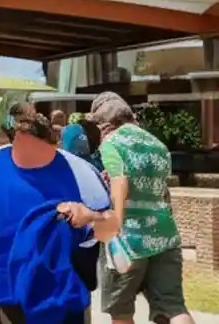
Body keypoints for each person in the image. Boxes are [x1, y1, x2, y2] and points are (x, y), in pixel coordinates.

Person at [0, 100, 118, 324]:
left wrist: (89, 216)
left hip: (64, 294)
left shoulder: (81, 171)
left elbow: (112, 227)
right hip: (9, 291)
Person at [88, 92, 195, 324]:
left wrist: (115, 224)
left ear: (105, 124)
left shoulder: (112, 142)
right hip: (164, 234)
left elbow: (120, 181)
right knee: (173, 307)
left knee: (122, 311)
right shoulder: (157, 144)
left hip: (130, 239)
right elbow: (161, 191)